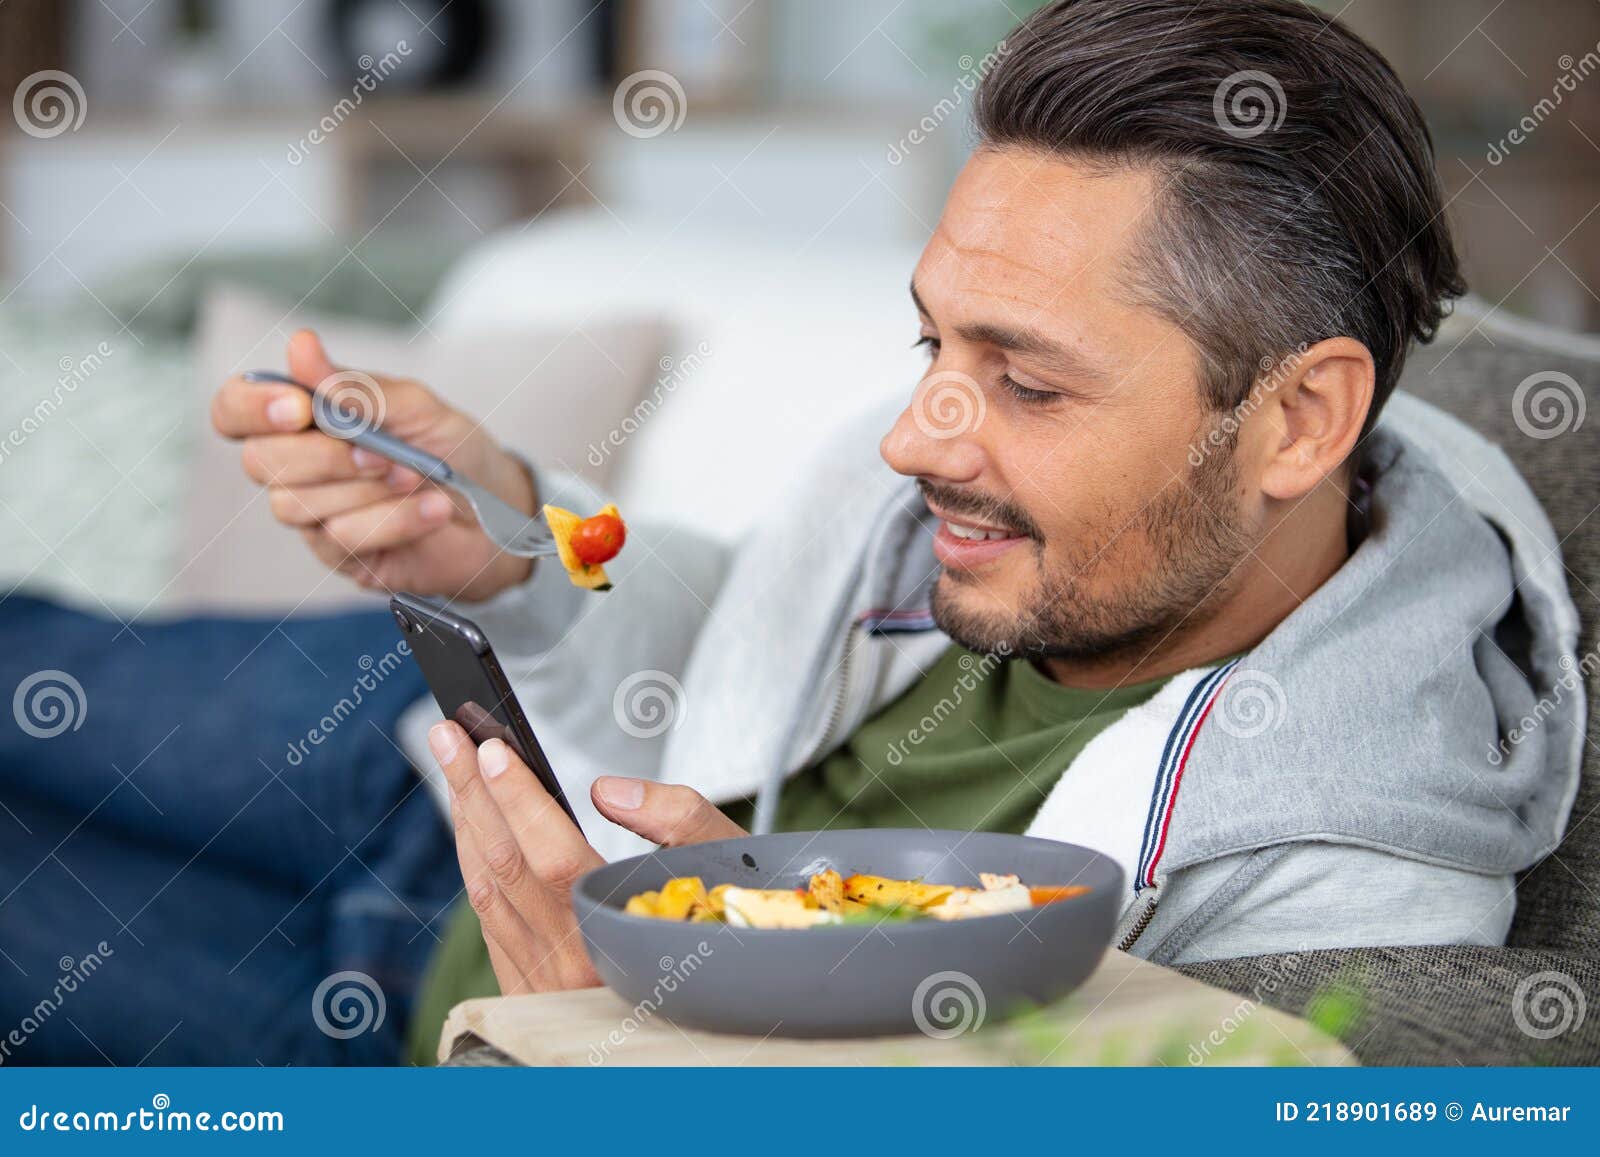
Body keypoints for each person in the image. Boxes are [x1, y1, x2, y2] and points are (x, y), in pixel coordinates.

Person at [3, 0, 1580, 1066]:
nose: (913, 440)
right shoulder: (1025, 536)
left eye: (1025, 379)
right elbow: (750, 625)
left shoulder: (1350, 905)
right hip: (416, 745)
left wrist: (620, 1045)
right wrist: (513, 545)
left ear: (1300, 421)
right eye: (934, 348)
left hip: (378, 1011)